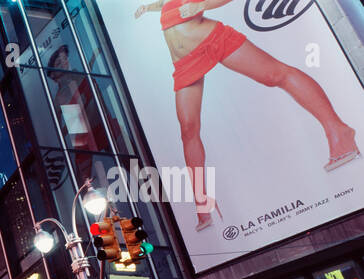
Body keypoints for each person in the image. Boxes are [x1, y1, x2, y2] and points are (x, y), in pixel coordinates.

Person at [134, 0, 359, 231]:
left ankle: (339, 132)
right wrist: (149, 7)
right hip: (184, 62)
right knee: (188, 129)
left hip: (211, 40)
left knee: (276, 75)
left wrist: (202, 6)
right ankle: (204, 203)